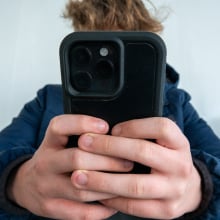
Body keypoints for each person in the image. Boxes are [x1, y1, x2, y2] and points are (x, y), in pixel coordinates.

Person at [0, 0, 219, 219]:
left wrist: (199, 188)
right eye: (95, 48)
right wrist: (16, 184)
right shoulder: (47, 99)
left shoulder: (177, 101)